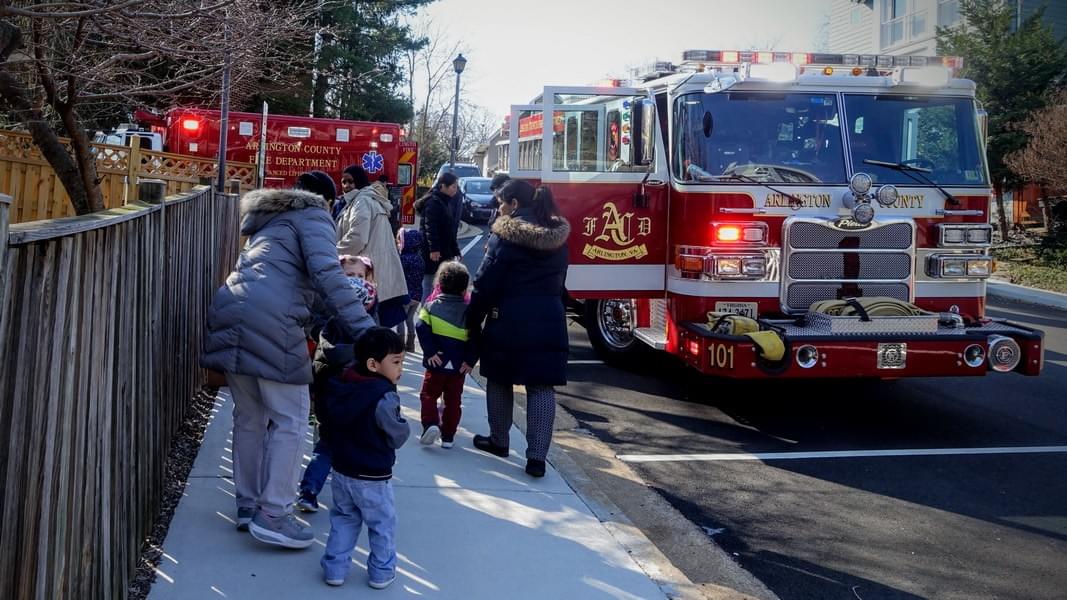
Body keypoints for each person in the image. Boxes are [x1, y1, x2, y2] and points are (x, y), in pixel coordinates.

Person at [201, 177, 374, 549]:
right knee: (292, 420)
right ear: (326, 200)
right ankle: (274, 514)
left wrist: (333, 316)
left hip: (233, 311)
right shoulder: (315, 216)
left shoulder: (269, 223)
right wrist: (366, 330)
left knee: (249, 418)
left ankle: (248, 505)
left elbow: (299, 282)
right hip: (272, 323)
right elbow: (328, 275)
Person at [466, 180, 570, 478]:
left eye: (500, 203)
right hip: (549, 317)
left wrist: (473, 317)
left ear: (513, 204)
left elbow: (486, 282)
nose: (498, 209)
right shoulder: (558, 236)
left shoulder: (505, 236)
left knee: (499, 379)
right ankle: (537, 458)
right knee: (541, 386)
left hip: (509, 317)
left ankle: (499, 440)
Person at [318, 327, 410, 590]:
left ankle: (334, 569)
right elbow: (396, 434)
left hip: (342, 470)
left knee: (344, 518)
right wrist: (403, 427)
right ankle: (381, 572)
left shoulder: (341, 385)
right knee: (381, 523)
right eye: (396, 362)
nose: (400, 368)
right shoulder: (383, 395)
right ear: (373, 364)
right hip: (373, 475)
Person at [296, 255, 378, 513]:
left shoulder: (328, 325)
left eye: (360, 276)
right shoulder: (369, 330)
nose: (355, 280)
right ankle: (355, 496)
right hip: (356, 399)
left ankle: (309, 490)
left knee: (326, 446)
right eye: (350, 276)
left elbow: (319, 360)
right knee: (353, 448)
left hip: (329, 397)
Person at [337, 165, 409, 327]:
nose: (347, 186)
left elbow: (357, 238)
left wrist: (333, 253)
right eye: (344, 182)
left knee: (368, 327)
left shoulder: (361, 201)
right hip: (375, 270)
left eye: (351, 181)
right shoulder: (364, 199)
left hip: (368, 272)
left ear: (360, 182)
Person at [415, 261, 475, 449]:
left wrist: (430, 351)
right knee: (453, 401)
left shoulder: (431, 306)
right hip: (458, 366)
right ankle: (448, 436)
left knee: (429, 395)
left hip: (436, 363)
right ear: (464, 287)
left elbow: (420, 326)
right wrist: (470, 360)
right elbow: (476, 337)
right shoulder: (469, 312)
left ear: (440, 283)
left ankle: (430, 423)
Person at [416, 172, 461, 300]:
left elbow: (449, 230)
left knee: (440, 284)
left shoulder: (445, 201)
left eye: (456, 187)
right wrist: (434, 249)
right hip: (433, 252)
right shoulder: (433, 202)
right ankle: (424, 315)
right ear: (443, 186)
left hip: (443, 250)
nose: (455, 190)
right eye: (453, 187)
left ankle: (434, 313)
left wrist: (456, 250)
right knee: (429, 283)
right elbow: (430, 227)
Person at [394, 228, 425, 352]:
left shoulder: (403, 259)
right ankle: (410, 345)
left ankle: (400, 345)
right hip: (417, 295)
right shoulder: (420, 259)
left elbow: (398, 276)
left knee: (400, 318)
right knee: (410, 318)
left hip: (405, 294)